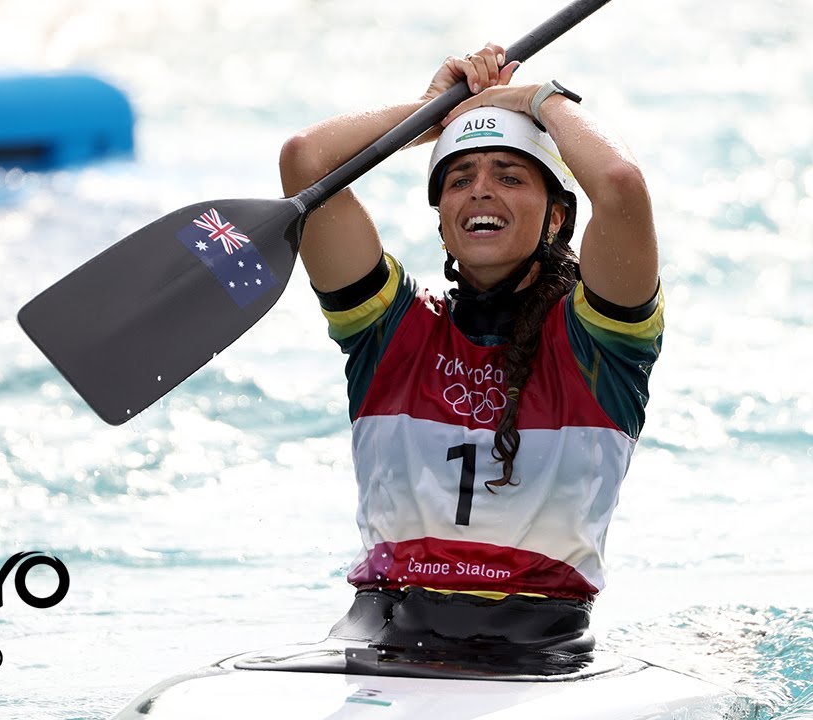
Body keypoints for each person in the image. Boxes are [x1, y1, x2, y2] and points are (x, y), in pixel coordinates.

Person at [278, 44, 662, 675]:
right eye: (459, 178)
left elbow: (620, 187)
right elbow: (305, 161)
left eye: (510, 176)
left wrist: (539, 100)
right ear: (442, 218)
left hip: (535, 644)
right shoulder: (388, 331)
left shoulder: (601, 345)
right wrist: (431, 115)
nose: (481, 190)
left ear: (559, 216)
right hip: (375, 633)